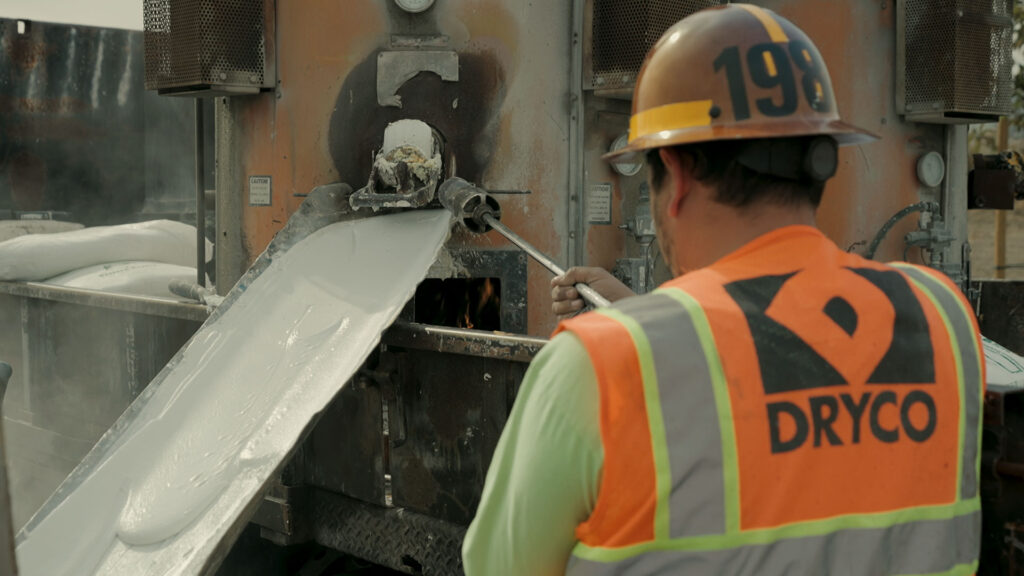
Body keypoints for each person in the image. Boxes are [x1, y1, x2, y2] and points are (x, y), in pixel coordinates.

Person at [462, 4, 984, 575]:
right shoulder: (942, 321)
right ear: (819, 163)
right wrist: (647, 316)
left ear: (676, 176)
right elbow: (781, 360)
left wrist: (643, 331)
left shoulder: (596, 369)